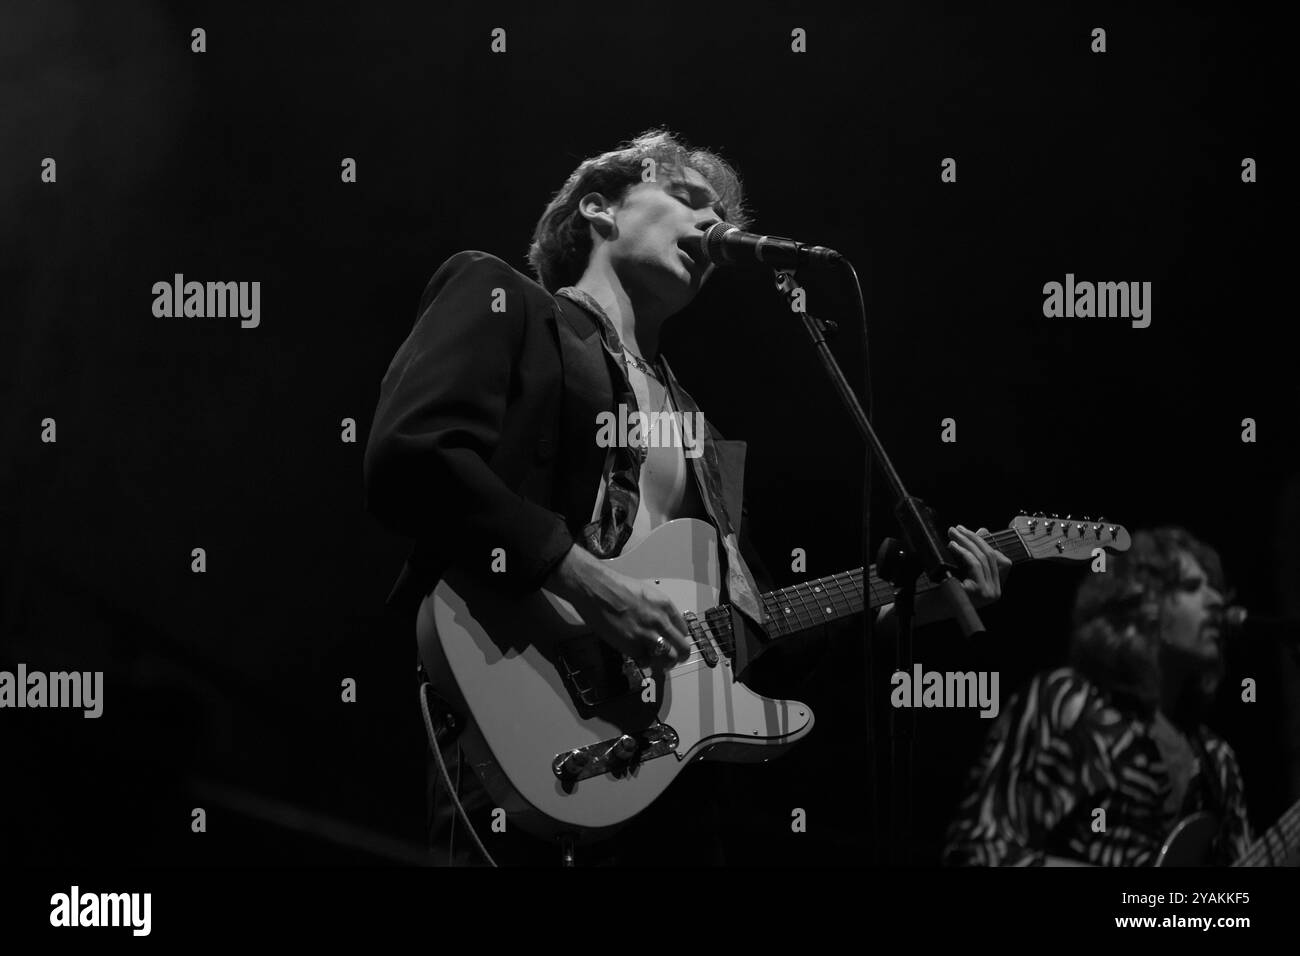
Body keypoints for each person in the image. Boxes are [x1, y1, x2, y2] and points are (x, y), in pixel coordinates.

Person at [364, 128, 1009, 865]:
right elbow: (411, 458)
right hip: (519, 725)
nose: (715, 226)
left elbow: (746, 634)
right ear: (600, 209)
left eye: (721, 214)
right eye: (688, 200)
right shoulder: (506, 301)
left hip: (664, 789)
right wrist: (586, 581)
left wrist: (904, 612)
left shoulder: (701, 437)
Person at [943, 526, 1252, 866]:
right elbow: (977, 850)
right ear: (1142, 604)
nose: (1217, 602)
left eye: (1217, 590)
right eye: (1192, 587)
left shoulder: (1216, 760)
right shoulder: (1069, 704)